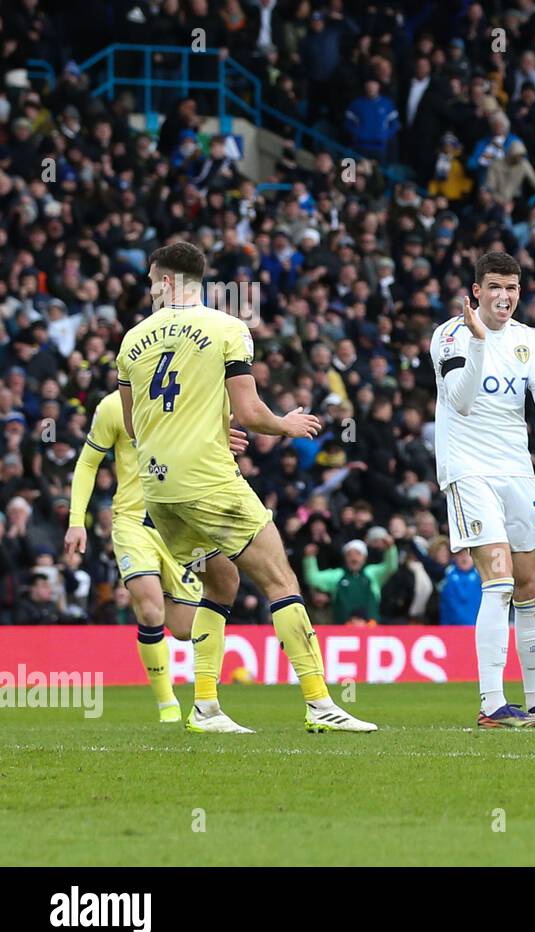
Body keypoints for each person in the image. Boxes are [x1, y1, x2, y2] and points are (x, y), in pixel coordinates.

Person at [117, 241, 375, 733]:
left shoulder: (132, 341)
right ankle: (321, 704)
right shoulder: (228, 329)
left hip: (158, 489)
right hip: (207, 480)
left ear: (169, 281)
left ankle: (206, 708)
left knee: (223, 582)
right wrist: (287, 424)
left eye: (153, 282)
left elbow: (136, 426)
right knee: (280, 579)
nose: (150, 291)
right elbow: (252, 413)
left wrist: (209, 429)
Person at [433, 251, 535, 728]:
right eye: (494, 287)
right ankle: (491, 702)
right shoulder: (450, 334)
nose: (503, 296)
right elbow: (460, 401)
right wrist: (475, 341)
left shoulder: (528, 339)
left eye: (511, 288)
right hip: (468, 469)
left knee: (530, 585)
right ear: (476, 291)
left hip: (516, 471)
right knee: (500, 578)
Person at [65, 390, 247, 722]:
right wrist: (77, 521)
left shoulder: (185, 398)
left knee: (184, 628)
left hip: (178, 521)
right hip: (132, 522)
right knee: (149, 608)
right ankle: (168, 706)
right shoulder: (112, 407)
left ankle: (207, 699)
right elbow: (88, 462)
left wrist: (221, 437)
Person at [302, 535, 399, 624]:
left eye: (358, 553)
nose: (354, 557)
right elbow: (313, 578)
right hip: (342, 632)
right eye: (349, 554)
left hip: (371, 630)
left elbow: (391, 567)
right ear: (345, 558)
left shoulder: (372, 573)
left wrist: (390, 549)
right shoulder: (337, 575)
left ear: (365, 557)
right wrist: (309, 558)